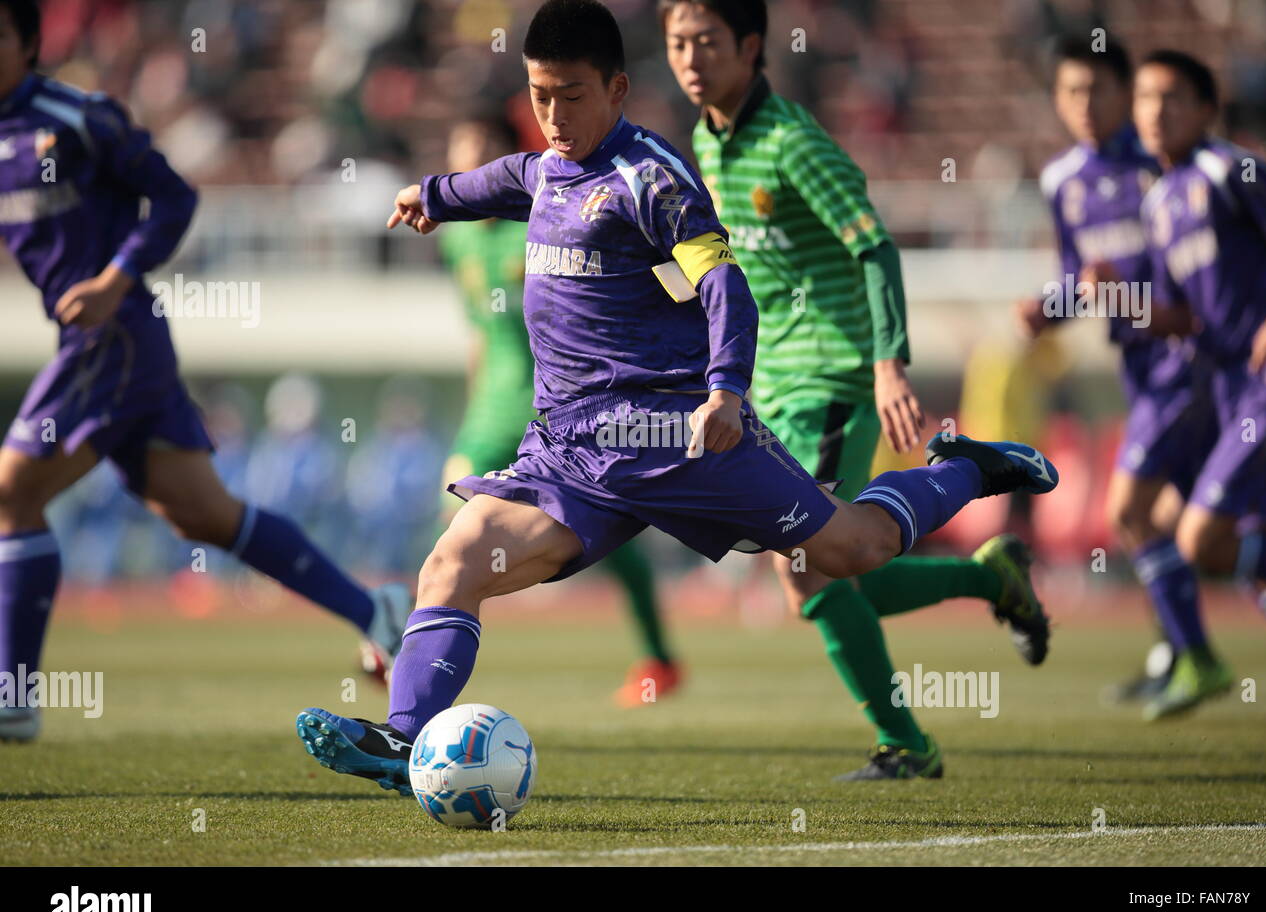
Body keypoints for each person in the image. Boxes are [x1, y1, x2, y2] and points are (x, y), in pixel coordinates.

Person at [295, 0, 1058, 797]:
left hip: (675, 439)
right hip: (569, 454)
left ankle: (975, 469)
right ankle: (404, 738)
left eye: (574, 95)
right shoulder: (547, 167)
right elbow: (504, 179)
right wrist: (435, 193)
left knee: (848, 554)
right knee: (453, 561)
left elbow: (725, 283)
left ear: (618, 89)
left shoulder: (651, 176)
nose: (554, 115)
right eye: (540, 95)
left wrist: (726, 391)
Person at [660, 0, 1052, 780]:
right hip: (769, 383)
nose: (690, 58)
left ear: (750, 46)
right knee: (835, 561)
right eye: (676, 43)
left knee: (803, 562)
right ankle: (988, 576)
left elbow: (875, 246)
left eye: (707, 42)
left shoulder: (796, 144)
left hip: (834, 375)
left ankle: (906, 741)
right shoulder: (707, 138)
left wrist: (887, 364)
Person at [0, 0, 408, 741]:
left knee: (12, 488)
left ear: (28, 42)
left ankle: (13, 696)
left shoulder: (79, 117)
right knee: (204, 515)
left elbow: (175, 196)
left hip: (115, 334)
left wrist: (115, 278)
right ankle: (373, 610)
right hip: (103, 342)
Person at [436, 116, 679, 707]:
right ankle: (418, 656)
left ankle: (659, 657)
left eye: (481, 153)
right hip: (493, 404)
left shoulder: (539, 219)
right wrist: (475, 401)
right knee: (451, 518)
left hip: (558, 400)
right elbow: (477, 329)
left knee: (616, 540)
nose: (470, 166)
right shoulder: (456, 237)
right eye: (459, 152)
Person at [1022, 35, 1219, 706]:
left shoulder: (1163, 166)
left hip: (1188, 359)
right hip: (1139, 362)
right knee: (1198, 520)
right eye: (1070, 91)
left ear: (1124, 94)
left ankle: (1194, 656)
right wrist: (1049, 310)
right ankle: (1177, 653)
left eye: (1097, 89)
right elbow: (1081, 278)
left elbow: (1188, 271)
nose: (1083, 104)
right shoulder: (1061, 181)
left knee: (1133, 510)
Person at [1127, 50, 1266, 720]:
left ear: (1205, 109)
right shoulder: (1158, 201)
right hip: (1224, 395)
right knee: (1239, 544)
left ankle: (1197, 660)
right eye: (1145, 98)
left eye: (1171, 98)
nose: (1155, 112)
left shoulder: (1233, 169)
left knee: (1199, 538)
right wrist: (1117, 301)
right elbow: (1181, 316)